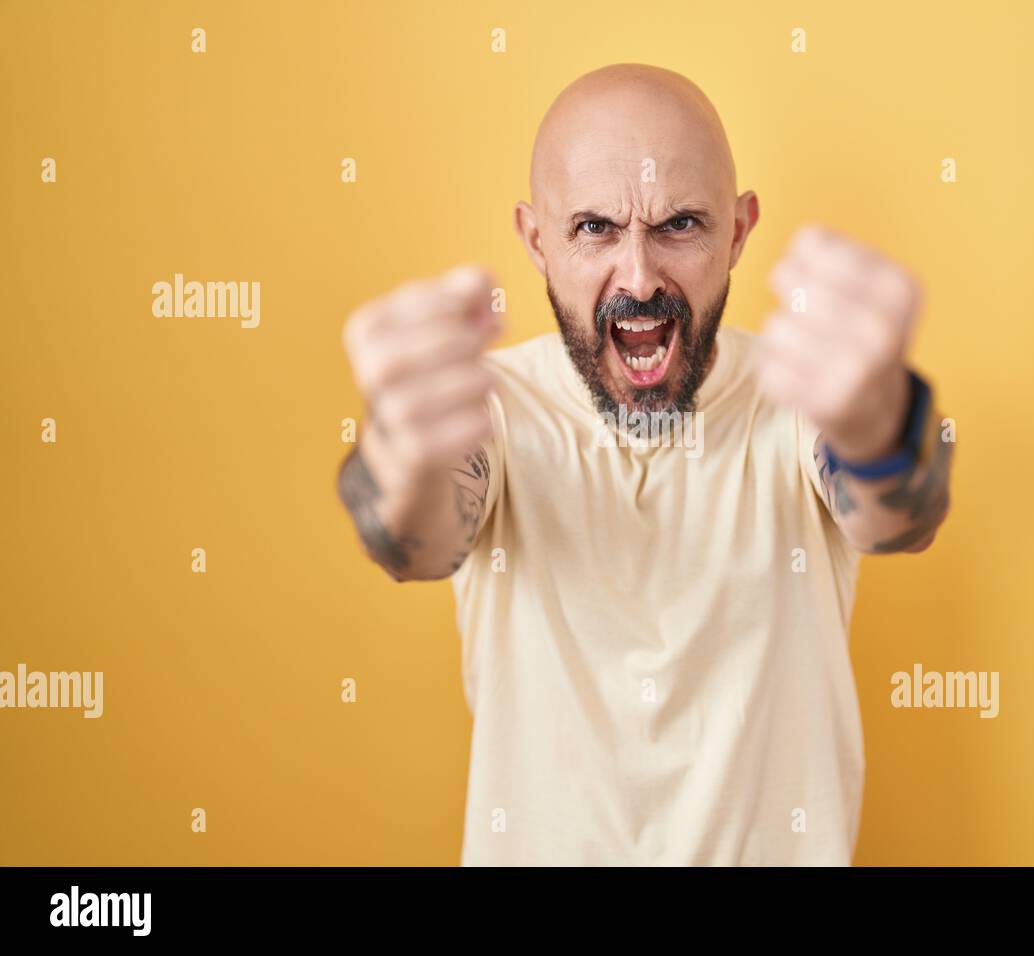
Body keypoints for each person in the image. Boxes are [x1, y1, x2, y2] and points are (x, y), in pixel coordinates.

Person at [337, 63, 953, 865]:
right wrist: (402, 457)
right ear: (536, 241)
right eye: (594, 227)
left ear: (737, 233)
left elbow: (901, 519)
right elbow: (412, 542)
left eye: (679, 226)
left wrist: (882, 427)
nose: (638, 277)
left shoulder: (801, 399)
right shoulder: (489, 408)